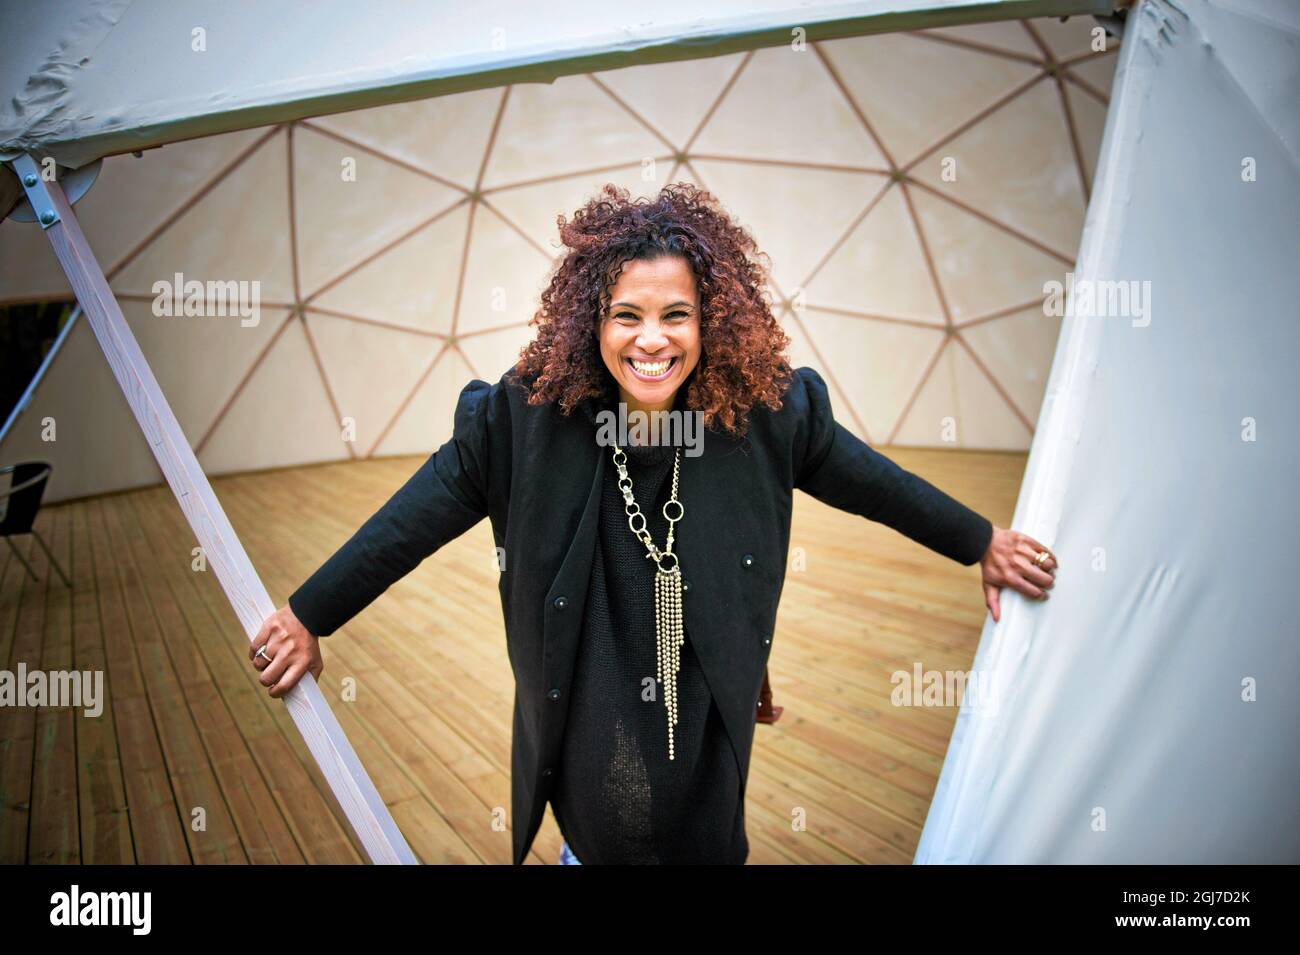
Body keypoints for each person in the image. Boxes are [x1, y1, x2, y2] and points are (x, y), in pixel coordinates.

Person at [249, 182, 1058, 865]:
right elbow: (415, 516)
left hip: (702, 692)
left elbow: (873, 483)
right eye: (626, 314)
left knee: (707, 831)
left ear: (710, 321)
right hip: (595, 699)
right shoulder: (522, 423)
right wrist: (310, 613)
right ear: (590, 321)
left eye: (677, 314)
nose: (651, 339)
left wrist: (980, 541)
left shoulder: (767, 413)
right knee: (607, 826)